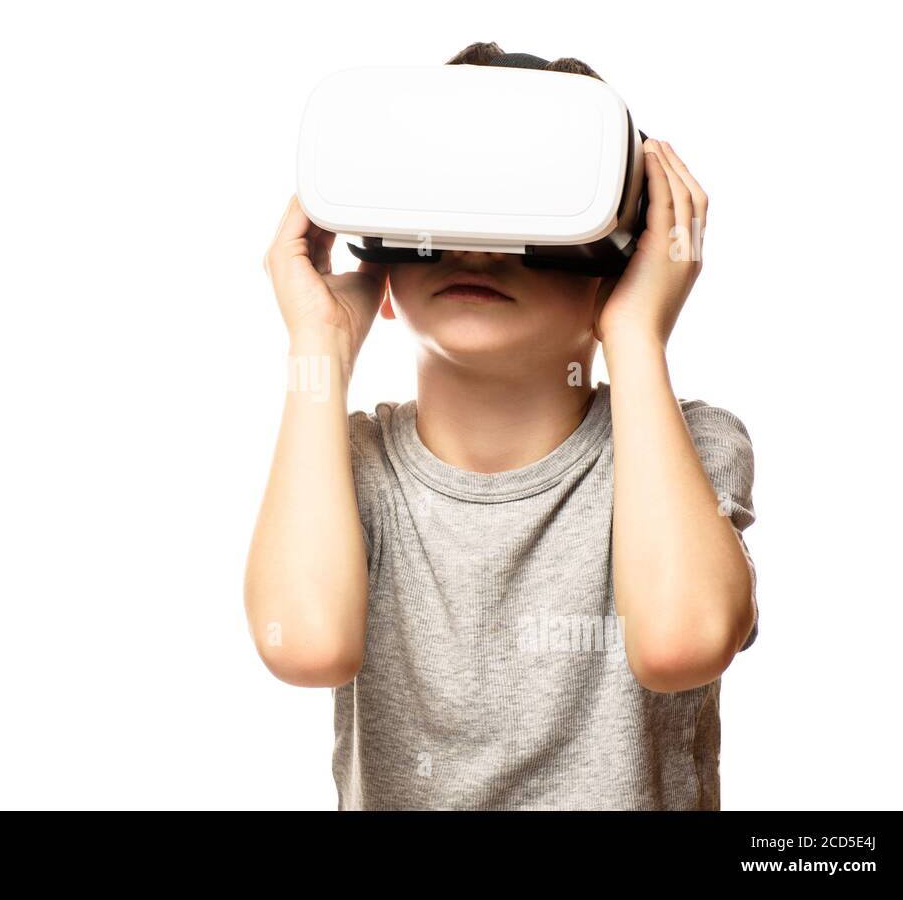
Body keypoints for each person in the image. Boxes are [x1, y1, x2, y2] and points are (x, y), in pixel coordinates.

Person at [244, 41, 759, 810]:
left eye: (528, 205)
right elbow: (307, 645)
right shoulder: (349, 468)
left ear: (624, 262)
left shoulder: (692, 447)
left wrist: (638, 334)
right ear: (383, 267)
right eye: (442, 204)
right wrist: (315, 343)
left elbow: (681, 643)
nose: (475, 247)